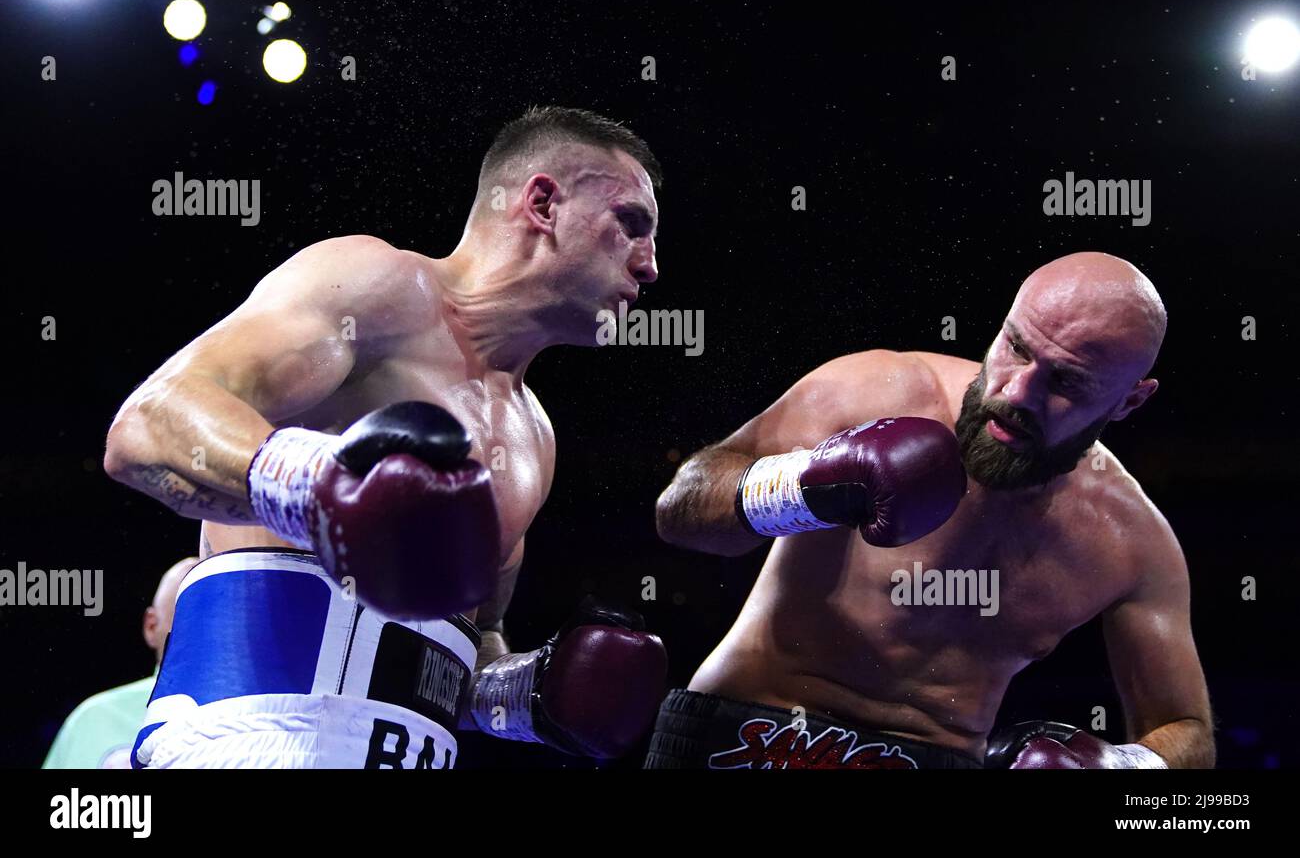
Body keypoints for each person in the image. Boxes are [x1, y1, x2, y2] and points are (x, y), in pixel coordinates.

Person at [104, 106, 667, 768]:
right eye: (630, 223)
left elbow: (467, 638)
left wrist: (529, 695)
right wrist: (320, 484)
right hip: (247, 740)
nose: (651, 265)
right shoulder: (378, 289)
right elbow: (145, 425)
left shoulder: (534, 437)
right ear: (543, 203)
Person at [649, 251, 1214, 769]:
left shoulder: (1132, 541)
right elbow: (680, 511)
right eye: (1016, 347)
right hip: (742, 731)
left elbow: (1188, 732)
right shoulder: (874, 391)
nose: (1018, 392)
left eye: (1066, 381)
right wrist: (802, 486)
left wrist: (1115, 767)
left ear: (1130, 400)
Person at [43, 556, 197, 769]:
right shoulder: (94, 721)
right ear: (151, 626)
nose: (208, 629)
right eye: (190, 613)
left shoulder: (258, 716)